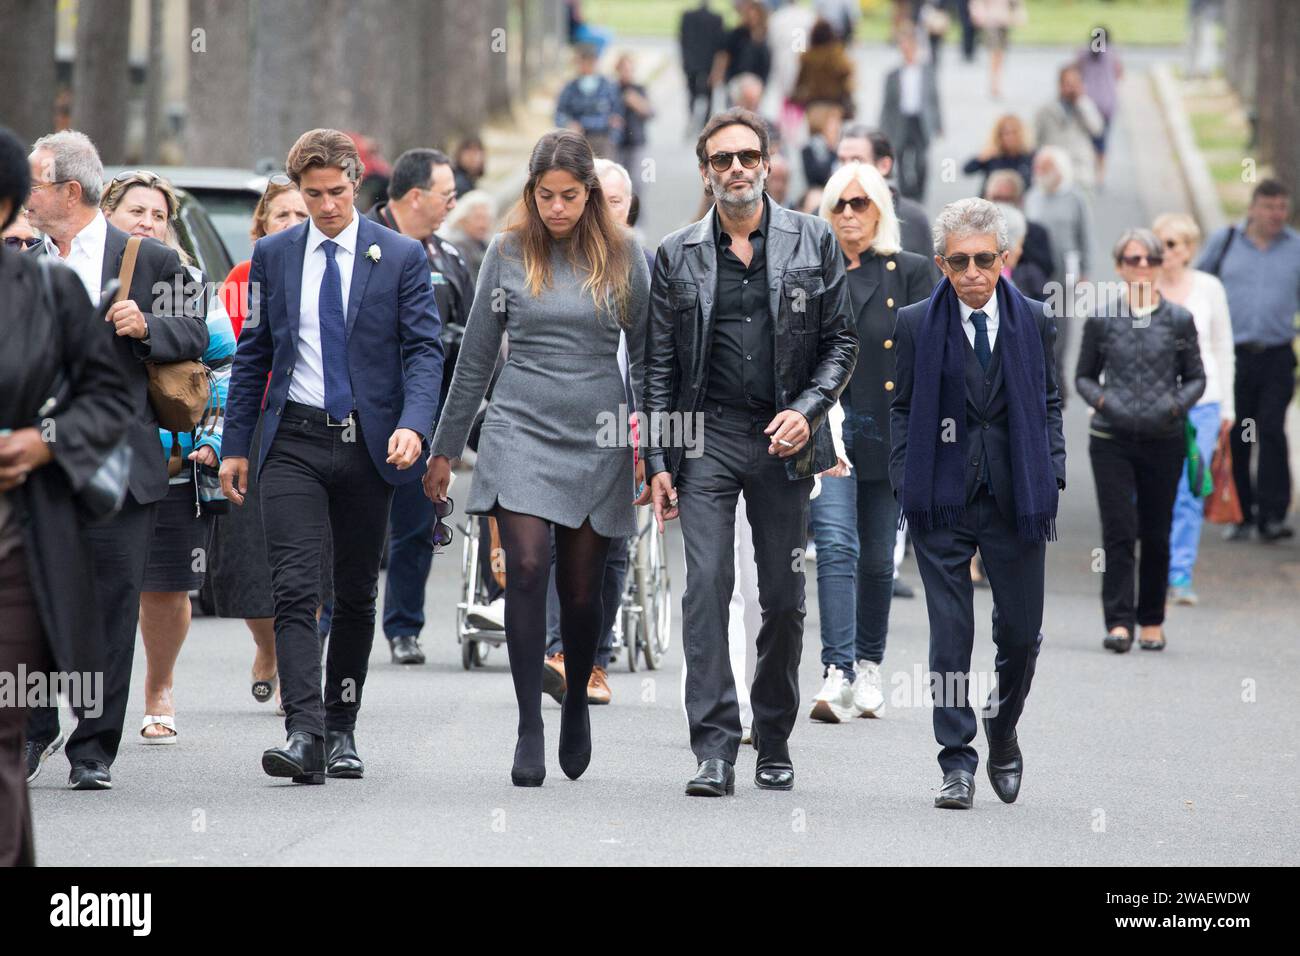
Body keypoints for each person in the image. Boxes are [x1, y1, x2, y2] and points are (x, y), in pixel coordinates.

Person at [425, 130, 650, 787]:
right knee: (526, 566)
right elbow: (474, 360)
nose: (557, 208)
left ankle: (574, 695)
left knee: (581, 592)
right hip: (518, 424)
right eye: (546, 195)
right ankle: (529, 723)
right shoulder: (508, 251)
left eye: (570, 196)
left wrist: (654, 449)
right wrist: (444, 449)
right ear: (531, 192)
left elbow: (648, 360)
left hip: (598, 432)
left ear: (590, 195)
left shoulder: (624, 254)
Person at [644, 107, 857, 796]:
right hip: (705, 438)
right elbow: (658, 368)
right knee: (706, 586)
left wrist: (807, 411)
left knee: (784, 597)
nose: (735, 169)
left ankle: (773, 734)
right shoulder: (676, 253)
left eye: (746, 157)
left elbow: (841, 343)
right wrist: (658, 462)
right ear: (705, 172)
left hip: (783, 438)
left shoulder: (812, 239)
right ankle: (713, 747)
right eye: (721, 160)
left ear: (766, 163)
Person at [220, 128, 444, 784]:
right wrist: (235, 446)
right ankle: (303, 732)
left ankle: (342, 726)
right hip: (293, 438)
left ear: (356, 185)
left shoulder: (399, 255)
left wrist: (415, 425)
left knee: (353, 591)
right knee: (294, 586)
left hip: (369, 444)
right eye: (313, 194)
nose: (325, 206)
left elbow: (423, 350)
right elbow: (255, 353)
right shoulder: (275, 255)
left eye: (337, 193)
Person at [23, 131, 206, 791]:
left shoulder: (149, 260)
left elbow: (197, 330)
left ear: (69, 191)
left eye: (33, 184)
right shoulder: (23, 260)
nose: (23, 196)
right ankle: (33, 730)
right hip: (38, 464)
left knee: (109, 607)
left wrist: (148, 327)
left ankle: (93, 748)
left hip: (120, 467)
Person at [890, 198, 1066, 809]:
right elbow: (901, 408)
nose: (972, 272)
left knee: (1020, 636)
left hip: (1018, 498)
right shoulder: (916, 323)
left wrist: (1053, 473)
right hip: (940, 499)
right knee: (950, 637)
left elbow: (1048, 401)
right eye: (959, 261)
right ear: (941, 264)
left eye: (984, 260)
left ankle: (1003, 723)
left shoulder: (1034, 319)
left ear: (1003, 259)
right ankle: (956, 761)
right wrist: (904, 478)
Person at [0, 125, 132, 862]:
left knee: (3, 726)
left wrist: (44, 441)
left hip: (16, 541)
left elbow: (108, 398)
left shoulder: (46, 290)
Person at [100, 170, 237, 744]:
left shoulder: (188, 281)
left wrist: (215, 440)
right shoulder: (77, 269)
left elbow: (225, 365)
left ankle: (158, 686)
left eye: (158, 215)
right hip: (93, 458)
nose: (148, 222)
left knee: (164, 587)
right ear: (107, 213)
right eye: (136, 211)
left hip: (172, 462)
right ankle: (85, 704)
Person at [808, 161, 935, 723]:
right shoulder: (813, 270)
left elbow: (930, 356)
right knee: (837, 546)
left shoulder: (909, 271)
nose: (849, 213)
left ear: (880, 209)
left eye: (860, 202)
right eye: (839, 204)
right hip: (829, 427)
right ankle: (836, 671)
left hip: (886, 432)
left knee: (880, 560)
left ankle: (868, 664)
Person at [541, 156, 645, 706]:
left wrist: (655, 436)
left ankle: (597, 661)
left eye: (615, 200)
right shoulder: (552, 260)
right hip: (559, 422)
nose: (602, 209)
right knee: (559, 535)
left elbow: (656, 357)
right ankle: (560, 651)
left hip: (622, 423)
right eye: (595, 197)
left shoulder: (641, 265)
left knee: (613, 542)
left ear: (628, 207)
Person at [210, 177, 314, 715]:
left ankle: (301, 675)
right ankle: (268, 645)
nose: (293, 224)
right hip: (253, 424)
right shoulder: (243, 278)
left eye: (302, 215)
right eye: (282, 216)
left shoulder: (329, 270)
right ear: (262, 228)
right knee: (251, 559)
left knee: (309, 558)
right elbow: (232, 359)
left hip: (310, 424)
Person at [1076, 228, 1205, 655]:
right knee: (1119, 531)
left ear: (1161, 265)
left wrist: (1173, 406)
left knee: (1156, 531)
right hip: (1111, 439)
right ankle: (1118, 622)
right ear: (1120, 266)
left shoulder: (1179, 319)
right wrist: (1104, 402)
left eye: (1151, 258)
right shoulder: (1102, 319)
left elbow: (1196, 378)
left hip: (1163, 438)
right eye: (1133, 259)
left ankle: (1151, 620)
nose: (1143, 266)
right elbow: (1083, 376)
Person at [367, 148, 472, 665]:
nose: (452, 205)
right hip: (363, 412)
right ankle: (328, 622)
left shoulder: (449, 258)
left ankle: (404, 627)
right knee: (352, 531)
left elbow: (475, 337)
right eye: (446, 195)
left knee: (415, 527)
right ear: (414, 196)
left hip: (425, 412)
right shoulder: (363, 244)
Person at [1197, 179, 1300, 543]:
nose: (1276, 214)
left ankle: (1273, 514)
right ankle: (1241, 512)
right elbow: (1200, 285)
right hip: (1234, 355)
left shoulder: (1295, 249)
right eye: (1269, 207)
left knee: (1270, 428)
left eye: (1282, 207)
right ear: (1253, 208)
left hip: (1277, 354)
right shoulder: (1226, 242)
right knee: (1239, 430)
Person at [1154, 213, 1234, 606]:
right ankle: (1154, 566)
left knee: (1190, 487)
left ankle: (1180, 572)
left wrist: (1228, 406)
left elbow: (1222, 346)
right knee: (1154, 487)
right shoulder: (1144, 287)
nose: (1165, 251)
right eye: (1160, 243)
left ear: (1188, 250)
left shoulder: (1209, 288)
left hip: (1203, 403)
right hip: (1154, 403)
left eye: (1172, 244)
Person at [835, 124, 931, 258]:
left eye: (856, 160)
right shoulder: (825, 214)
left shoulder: (913, 219)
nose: (846, 168)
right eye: (841, 160)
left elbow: (928, 270)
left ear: (884, 166)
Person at [879, 29, 942, 202]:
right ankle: (905, 192)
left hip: (920, 121)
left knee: (921, 160)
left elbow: (934, 99)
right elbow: (887, 105)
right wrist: (882, 128)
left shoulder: (927, 73)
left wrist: (938, 124)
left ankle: (919, 192)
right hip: (901, 121)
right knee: (900, 156)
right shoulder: (893, 75)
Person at [1034, 64, 1103, 195]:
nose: (1072, 88)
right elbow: (1036, 140)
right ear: (1060, 85)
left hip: (1081, 170)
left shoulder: (1086, 106)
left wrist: (1080, 103)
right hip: (1055, 172)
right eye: (1068, 83)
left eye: (1075, 83)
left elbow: (1097, 129)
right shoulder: (1046, 110)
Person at [984, 170, 1055, 297]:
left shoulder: (1036, 233)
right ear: (986, 198)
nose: (1002, 205)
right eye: (997, 198)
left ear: (1020, 201)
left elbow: (1046, 273)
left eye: (1008, 199)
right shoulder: (977, 233)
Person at [555, 44, 623, 160]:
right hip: (578, 140)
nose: (586, 67)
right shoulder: (570, 88)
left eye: (590, 62)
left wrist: (613, 137)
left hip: (603, 140)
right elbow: (559, 114)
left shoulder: (608, 87)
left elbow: (618, 115)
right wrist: (568, 123)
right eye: (583, 62)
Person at [1076, 26, 1122, 188]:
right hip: (1106, 104)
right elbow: (1119, 74)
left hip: (1088, 103)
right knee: (1102, 141)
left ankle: (1090, 170)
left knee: (1086, 138)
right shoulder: (1112, 54)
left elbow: (1077, 73)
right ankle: (1100, 175)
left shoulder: (1083, 54)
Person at [791, 18, 856, 121]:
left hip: (814, 103)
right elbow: (847, 77)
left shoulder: (807, 57)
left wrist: (795, 96)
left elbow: (800, 82)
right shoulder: (838, 56)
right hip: (835, 103)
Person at [679, 0, 726, 130]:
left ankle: (693, 118)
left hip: (693, 62)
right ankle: (705, 121)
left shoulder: (687, 17)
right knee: (708, 94)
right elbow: (720, 44)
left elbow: (683, 41)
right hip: (707, 63)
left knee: (692, 93)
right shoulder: (716, 18)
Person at [963, 113, 1035, 198]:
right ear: (999, 135)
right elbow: (967, 170)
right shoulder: (992, 156)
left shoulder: (1030, 157)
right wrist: (981, 158)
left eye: (1014, 132)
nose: (1011, 137)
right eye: (1006, 133)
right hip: (991, 201)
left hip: (1018, 202)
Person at [615, 53, 654, 195]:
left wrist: (636, 102)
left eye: (629, 69)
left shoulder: (639, 89)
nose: (627, 73)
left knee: (637, 181)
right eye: (624, 69)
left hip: (637, 141)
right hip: (617, 142)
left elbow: (651, 113)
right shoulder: (612, 89)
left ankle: (637, 207)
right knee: (618, 181)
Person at [970, 0, 1026, 99]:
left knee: (1000, 54)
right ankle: (994, 84)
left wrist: (1019, 14)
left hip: (1004, 21)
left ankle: (996, 82)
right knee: (995, 53)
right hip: (991, 21)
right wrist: (978, 13)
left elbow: (1016, 3)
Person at [714, 0, 771, 91]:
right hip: (736, 79)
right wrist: (718, 73)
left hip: (756, 82)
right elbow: (725, 54)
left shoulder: (766, 36)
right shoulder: (738, 34)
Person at [443, 189, 495, 287]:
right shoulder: (458, 247)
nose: (482, 225)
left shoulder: (485, 244)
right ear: (463, 220)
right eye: (478, 218)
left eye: (486, 218)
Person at [801, 102, 843, 190]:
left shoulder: (839, 148)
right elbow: (819, 177)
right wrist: (832, 151)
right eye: (833, 123)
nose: (838, 127)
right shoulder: (809, 149)